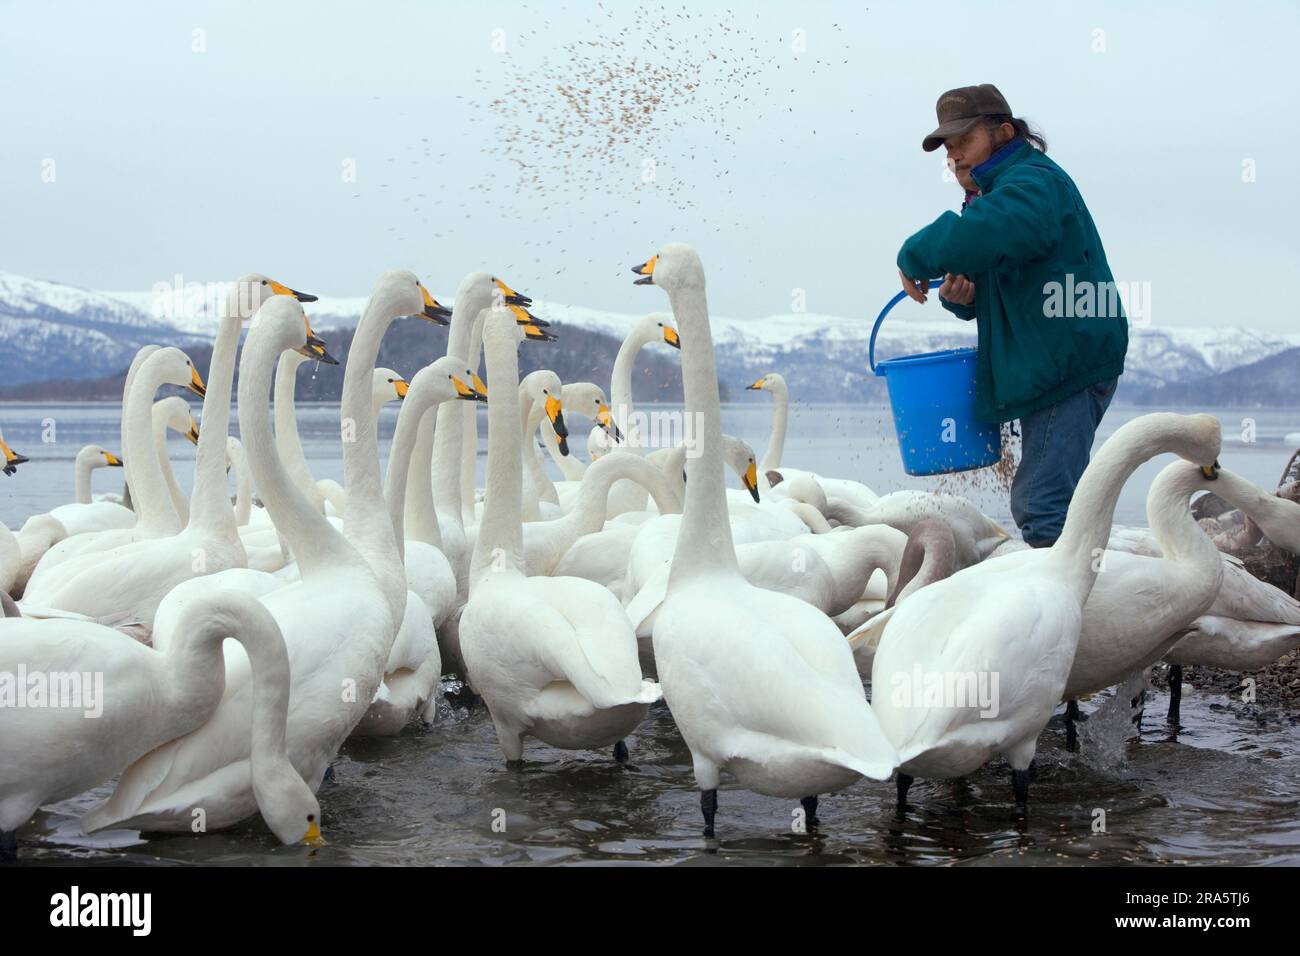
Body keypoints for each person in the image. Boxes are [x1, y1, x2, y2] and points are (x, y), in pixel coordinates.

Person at [896, 84, 1128, 548]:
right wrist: (966, 298)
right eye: (948, 148)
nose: (954, 156)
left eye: (964, 141)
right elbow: (1009, 277)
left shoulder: (1033, 184)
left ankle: (1075, 610)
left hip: (1068, 360)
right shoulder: (996, 195)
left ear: (1004, 132)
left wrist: (913, 255)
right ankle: (1081, 589)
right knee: (1054, 496)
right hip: (1051, 359)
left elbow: (983, 233)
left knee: (1042, 502)